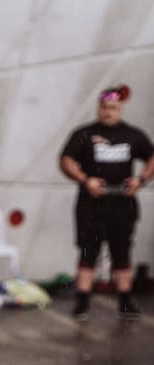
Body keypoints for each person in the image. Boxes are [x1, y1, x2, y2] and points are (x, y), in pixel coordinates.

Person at [59, 85, 154, 321]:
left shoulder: (133, 135)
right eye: (105, 108)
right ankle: (82, 301)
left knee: (122, 253)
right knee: (88, 253)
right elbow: (66, 160)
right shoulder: (84, 134)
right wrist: (85, 180)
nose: (108, 112)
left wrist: (141, 179)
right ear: (99, 109)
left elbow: (152, 156)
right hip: (92, 206)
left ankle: (126, 300)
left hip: (122, 205)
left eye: (113, 108)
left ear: (120, 109)